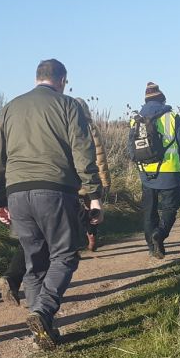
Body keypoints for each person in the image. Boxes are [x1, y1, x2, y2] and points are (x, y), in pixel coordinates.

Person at [0, 59, 103, 351]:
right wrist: (94, 194)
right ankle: (44, 311)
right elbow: (83, 152)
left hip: (17, 193)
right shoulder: (68, 105)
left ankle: (42, 332)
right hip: (55, 190)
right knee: (64, 256)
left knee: (34, 264)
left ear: (37, 78)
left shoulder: (10, 107)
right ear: (62, 79)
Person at [128, 82, 180, 259]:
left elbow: (130, 150)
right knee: (170, 207)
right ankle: (160, 234)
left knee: (149, 210)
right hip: (170, 171)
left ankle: (152, 247)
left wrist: (141, 165)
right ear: (162, 99)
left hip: (146, 174)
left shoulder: (136, 120)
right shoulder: (171, 116)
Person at [77, 99, 111, 251]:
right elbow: (100, 156)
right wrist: (104, 179)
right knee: (93, 210)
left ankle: (81, 237)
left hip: (74, 179)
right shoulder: (92, 127)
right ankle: (92, 235)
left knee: (76, 210)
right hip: (91, 176)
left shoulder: (65, 127)